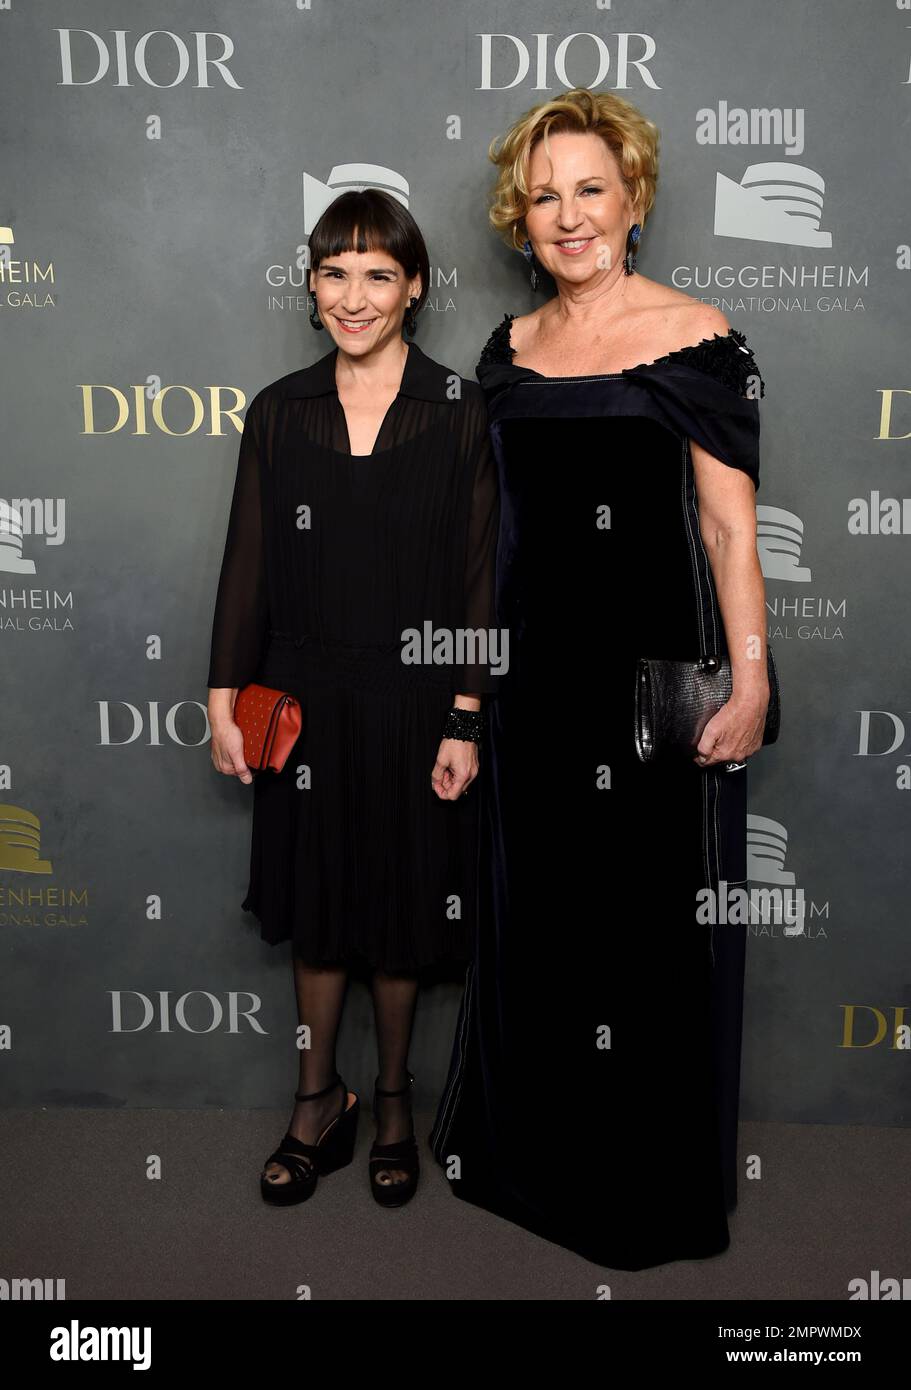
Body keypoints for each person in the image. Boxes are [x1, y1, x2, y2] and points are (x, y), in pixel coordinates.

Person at [430, 87, 772, 1269]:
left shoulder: (697, 336)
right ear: (516, 219)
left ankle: (635, 1186)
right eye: (542, 196)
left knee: (636, 936)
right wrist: (469, 701)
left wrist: (751, 680)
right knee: (544, 927)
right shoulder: (507, 352)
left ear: (632, 200)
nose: (566, 215)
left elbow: (730, 533)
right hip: (532, 688)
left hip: (642, 689)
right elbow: (489, 545)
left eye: (589, 189)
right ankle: (536, 1163)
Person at [206, 189, 499, 1208]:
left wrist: (466, 713)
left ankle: (389, 1103)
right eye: (335, 273)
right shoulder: (279, 410)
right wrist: (221, 697)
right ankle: (312, 1099)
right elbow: (246, 565)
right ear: (312, 286)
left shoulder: (461, 412)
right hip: (302, 696)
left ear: (414, 285)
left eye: (378, 273)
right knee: (322, 912)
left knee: (403, 912)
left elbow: (476, 579)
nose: (355, 295)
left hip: (418, 699)